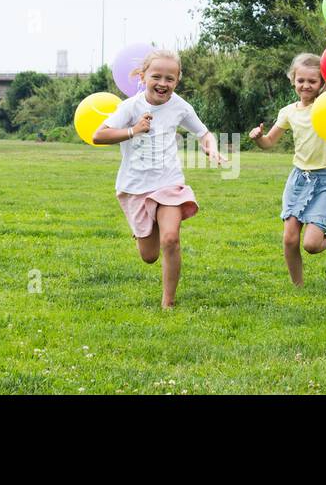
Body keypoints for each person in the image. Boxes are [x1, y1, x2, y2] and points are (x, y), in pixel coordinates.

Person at [92, 49, 226, 308]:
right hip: (135, 187)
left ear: (177, 80)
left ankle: (168, 303)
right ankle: (143, 229)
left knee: (171, 239)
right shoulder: (130, 106)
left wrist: (211, 147)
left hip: (169, 183)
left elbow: (203, 132)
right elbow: (99, 136)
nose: (163, 84)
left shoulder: (181, 106)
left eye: (170, 78)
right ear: (143, 77)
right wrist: (133, 130)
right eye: (156, 77)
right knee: (149, 256)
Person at [249, 53, 326, 287]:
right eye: (300, 80)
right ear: (293, 80)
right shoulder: (288, 112)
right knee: (290, 238)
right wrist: (258, 137)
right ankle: (298, 286)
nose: (306, 85)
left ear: (322, 83)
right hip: (298, 180)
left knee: (312, 245)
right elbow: (269, 143)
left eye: (312, 81)